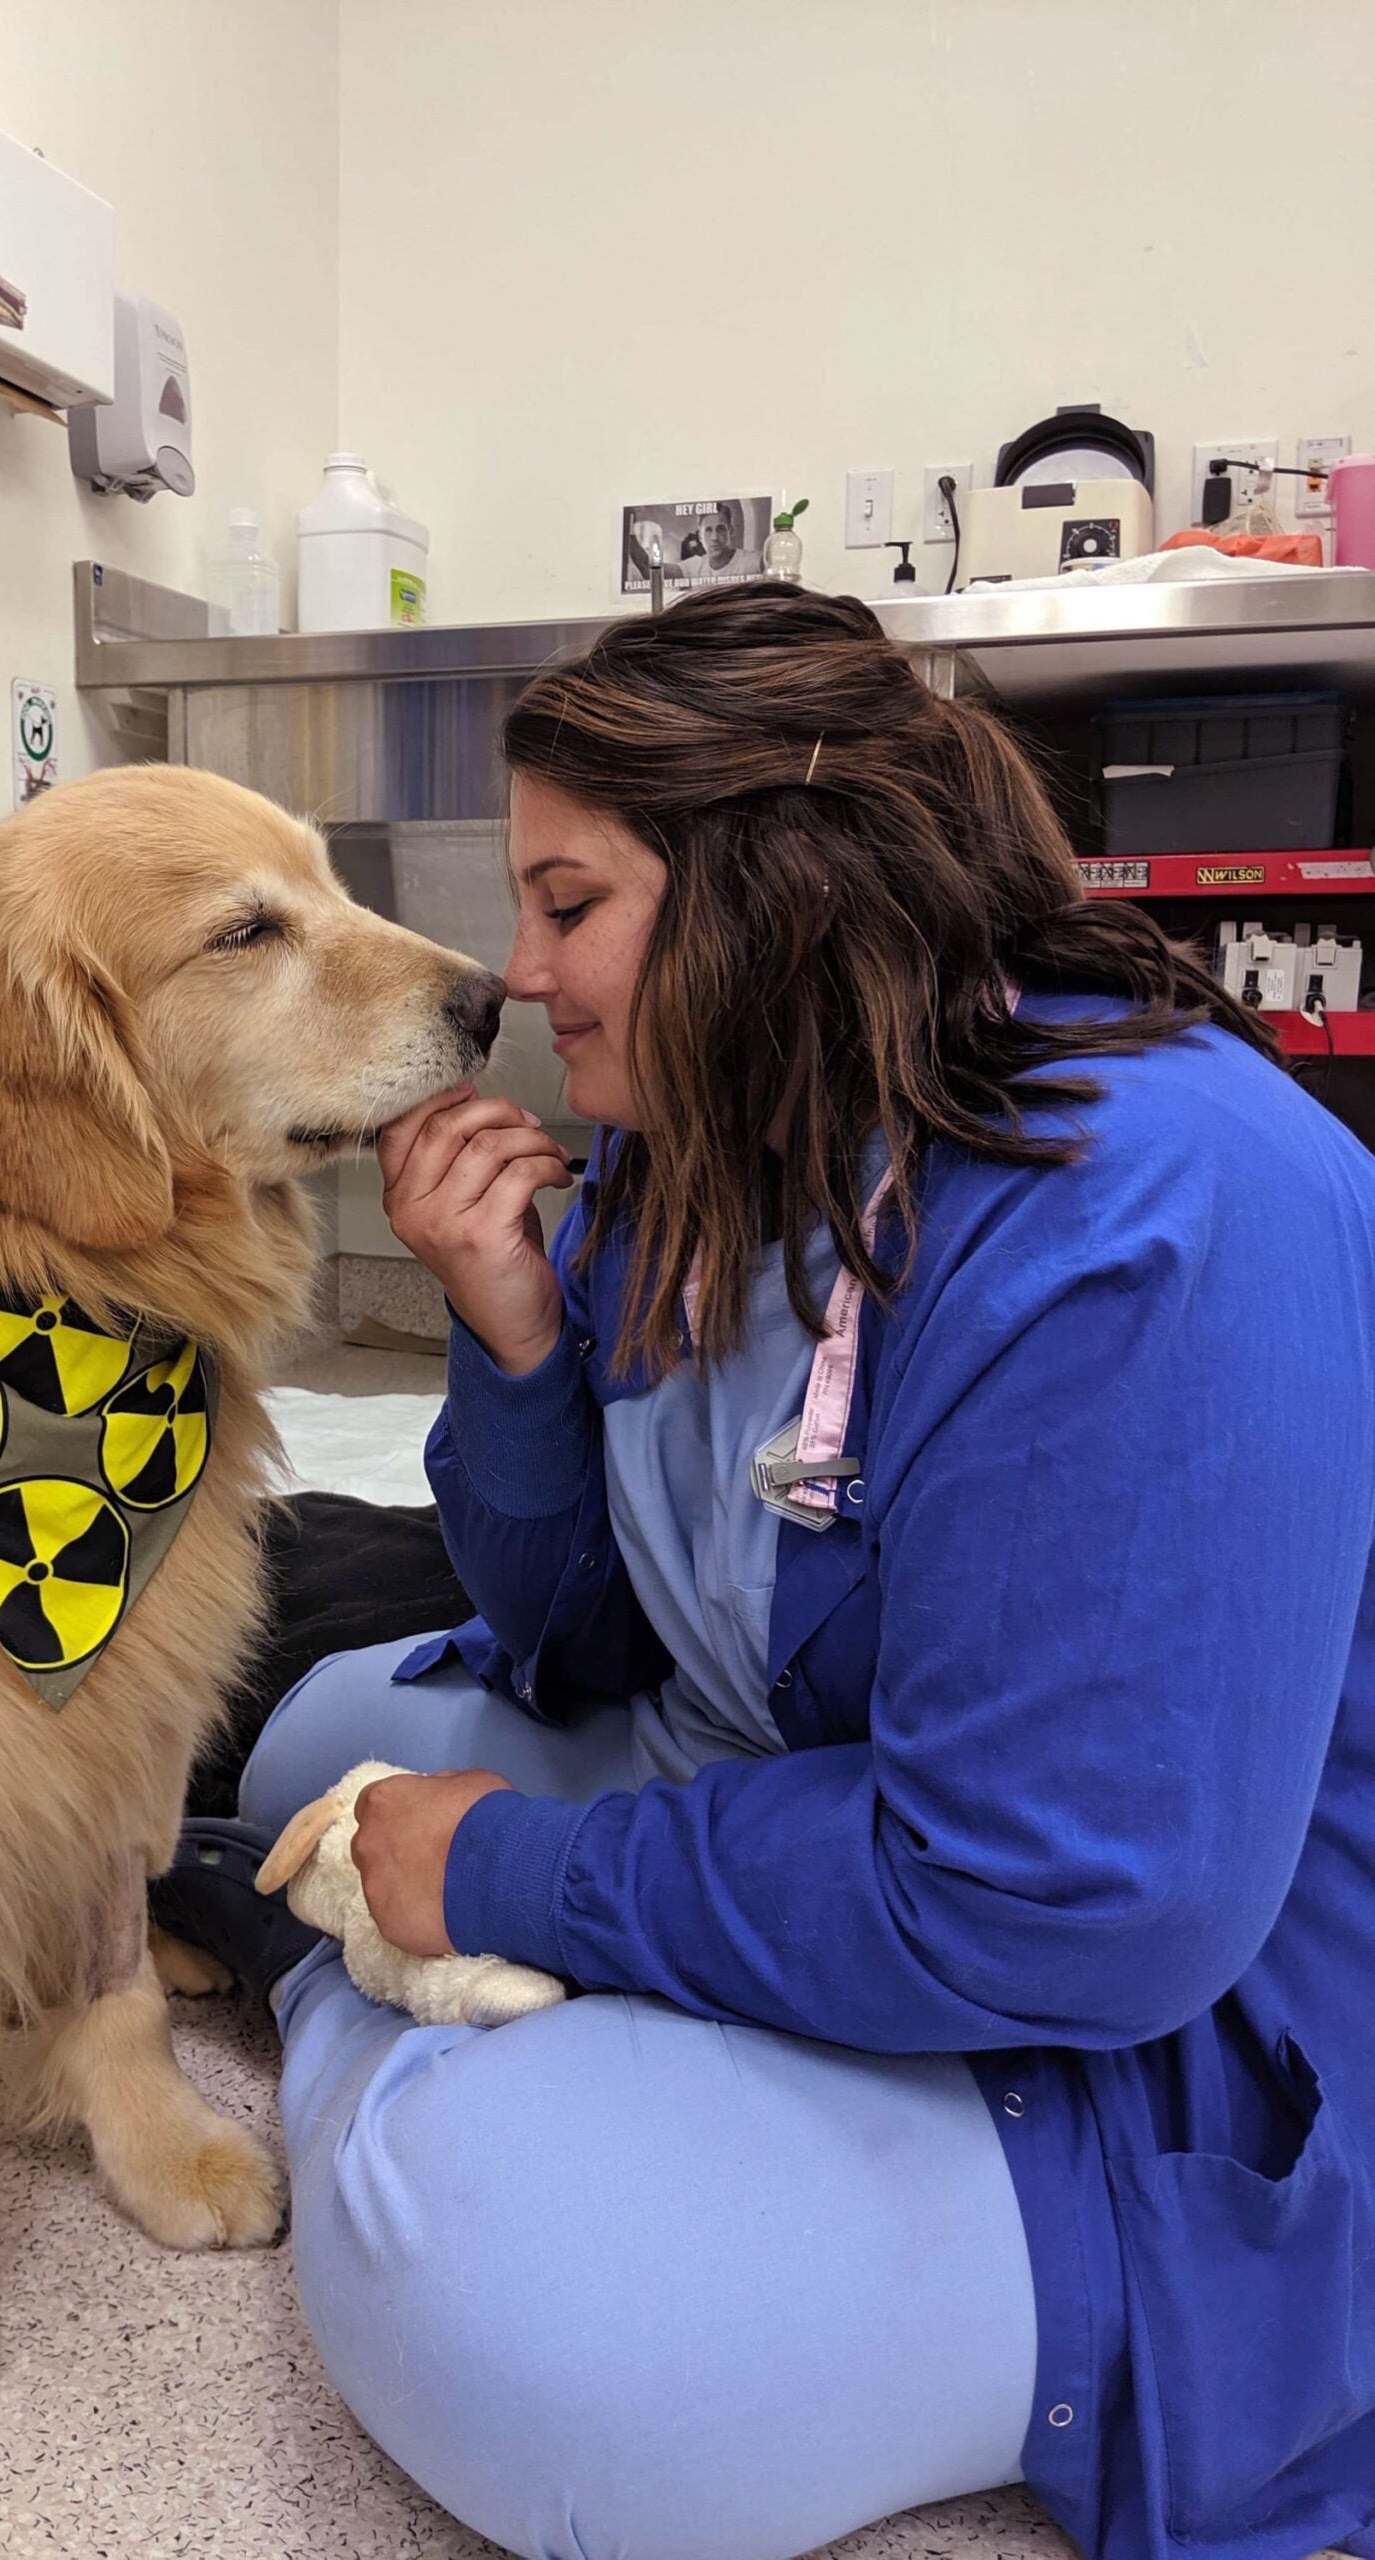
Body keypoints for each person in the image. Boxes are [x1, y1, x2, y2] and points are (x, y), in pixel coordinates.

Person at [153, 585, 1375, 2560]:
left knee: (503, 2285)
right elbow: (581, 1636)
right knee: (319, 1737)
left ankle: (335, 1986)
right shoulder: (703, 1147)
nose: (517, 969)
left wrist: (505, 1878)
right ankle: (418, 1968)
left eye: (569, 902)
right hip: (806, 1780)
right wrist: (518, 1335)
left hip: (1141, 2030)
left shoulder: (1159, 1215)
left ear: (769, 889)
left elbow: (1056, 1900)